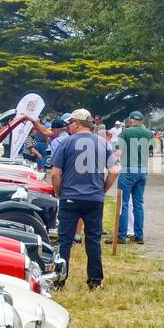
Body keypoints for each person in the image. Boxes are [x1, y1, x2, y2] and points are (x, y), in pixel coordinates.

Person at [50, 109, 118, 291]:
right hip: (94, 198)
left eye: (70, 123)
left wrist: (59, 193)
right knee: (93, 240)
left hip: (70, 196)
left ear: (77, 124)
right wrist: (102, 189)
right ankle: (95, 281)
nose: (68, 126)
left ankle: (59, 280)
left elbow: (55, 174)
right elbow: (114, 171)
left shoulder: (66, 143)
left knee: (64, 241)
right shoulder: (103, 143)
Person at [116, 111, 154, 244]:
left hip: (127, 170)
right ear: (142, 120)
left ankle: (122, 235)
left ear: (131, 120)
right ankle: (139, 235)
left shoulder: (125, 132)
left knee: (124, 204)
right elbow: (151, 149)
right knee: (138, 204)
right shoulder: (149, 133)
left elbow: (118, 151)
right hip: (142, 171)